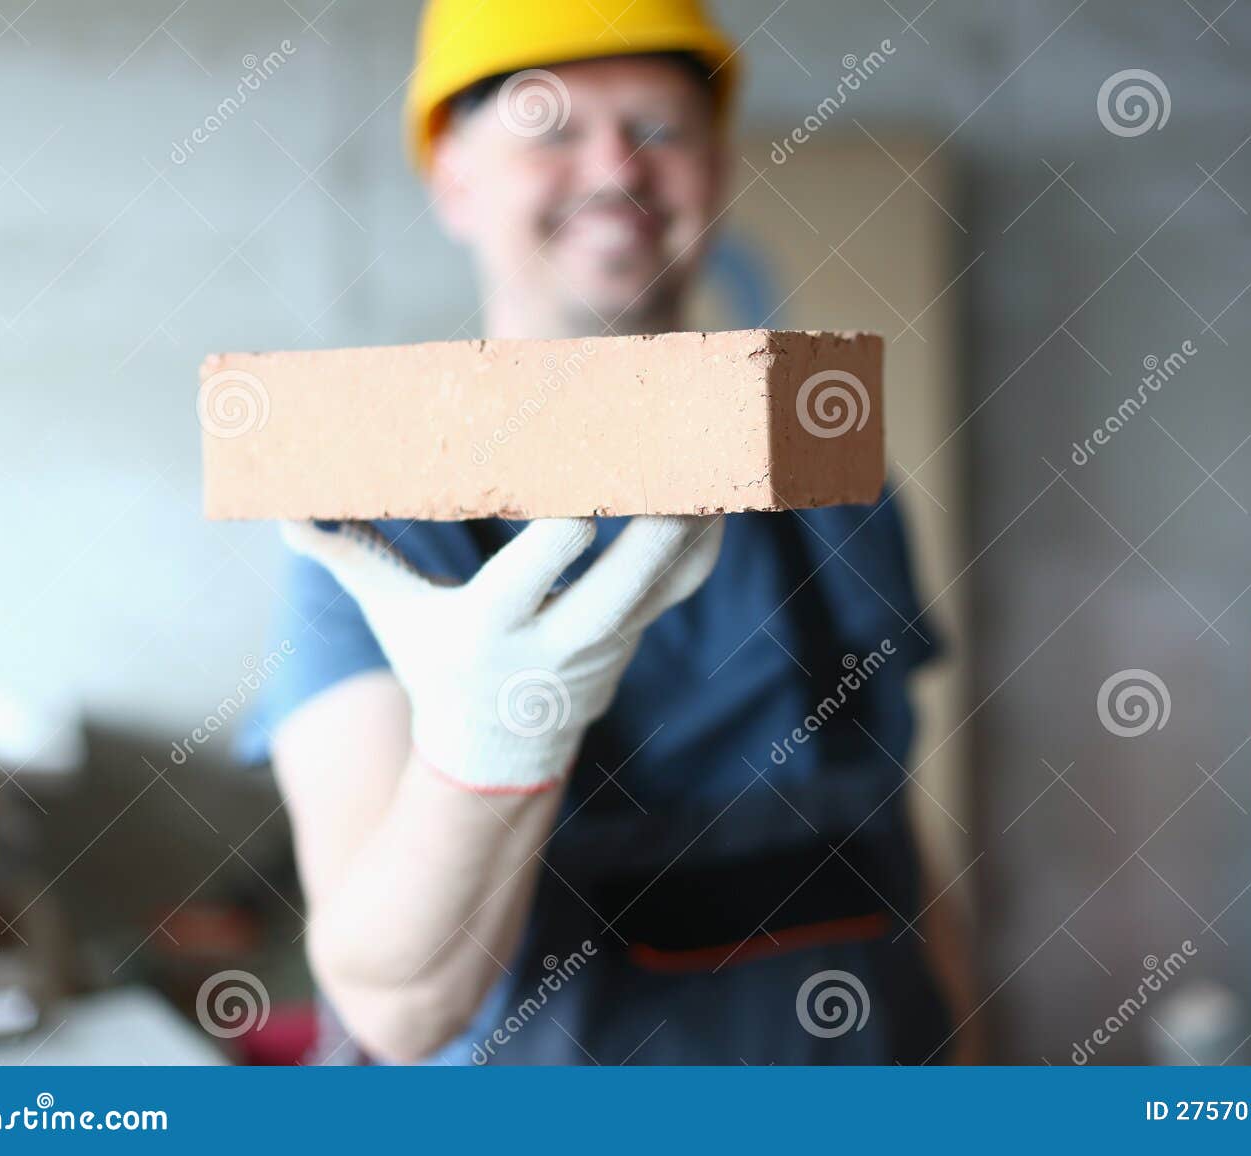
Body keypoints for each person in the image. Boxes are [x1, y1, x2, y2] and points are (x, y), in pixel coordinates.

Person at [246, 0, 969, 1065]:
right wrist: (485, 752)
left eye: (658, 128)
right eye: (550, 127)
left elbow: (898, 839)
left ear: (716, 170)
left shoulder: (825, 473)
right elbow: (397, 1014)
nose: (615, 169)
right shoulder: (372, 516)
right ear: (455, 181)